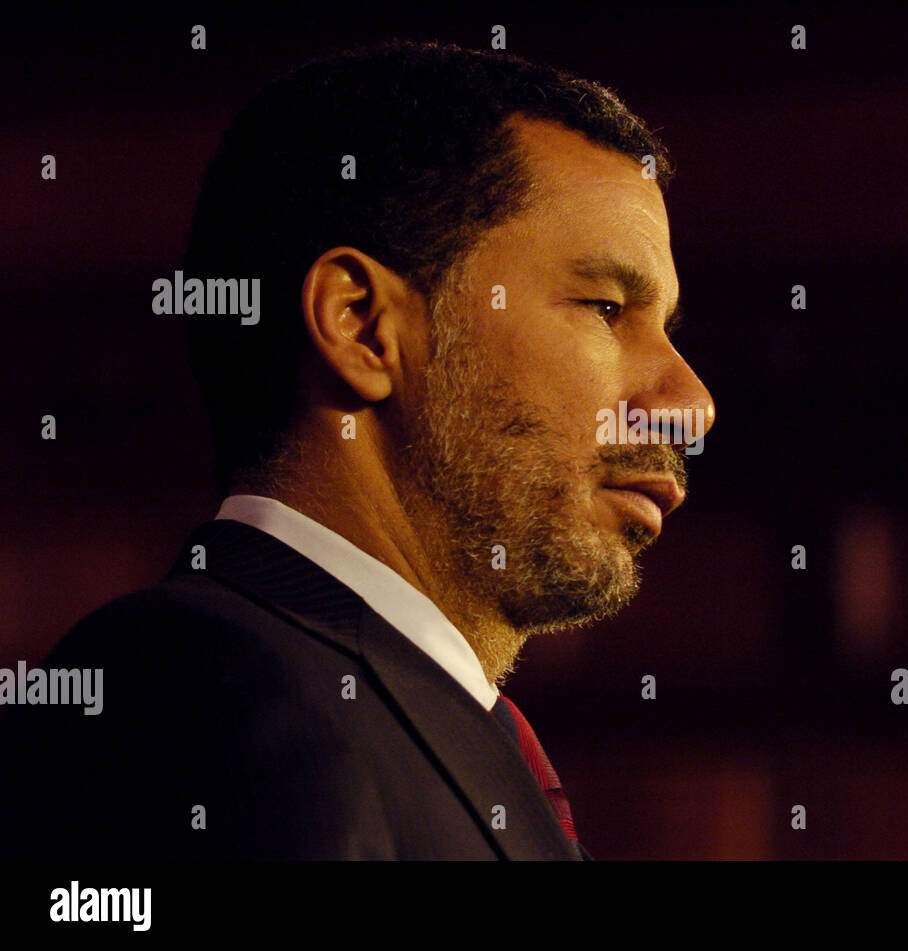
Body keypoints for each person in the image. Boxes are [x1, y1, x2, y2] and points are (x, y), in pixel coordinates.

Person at [0, 39, 714, 860]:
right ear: (363, 326)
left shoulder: (407, 716)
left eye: (666, 328)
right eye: (605, 306)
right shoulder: (203, 693)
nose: (690, 405)